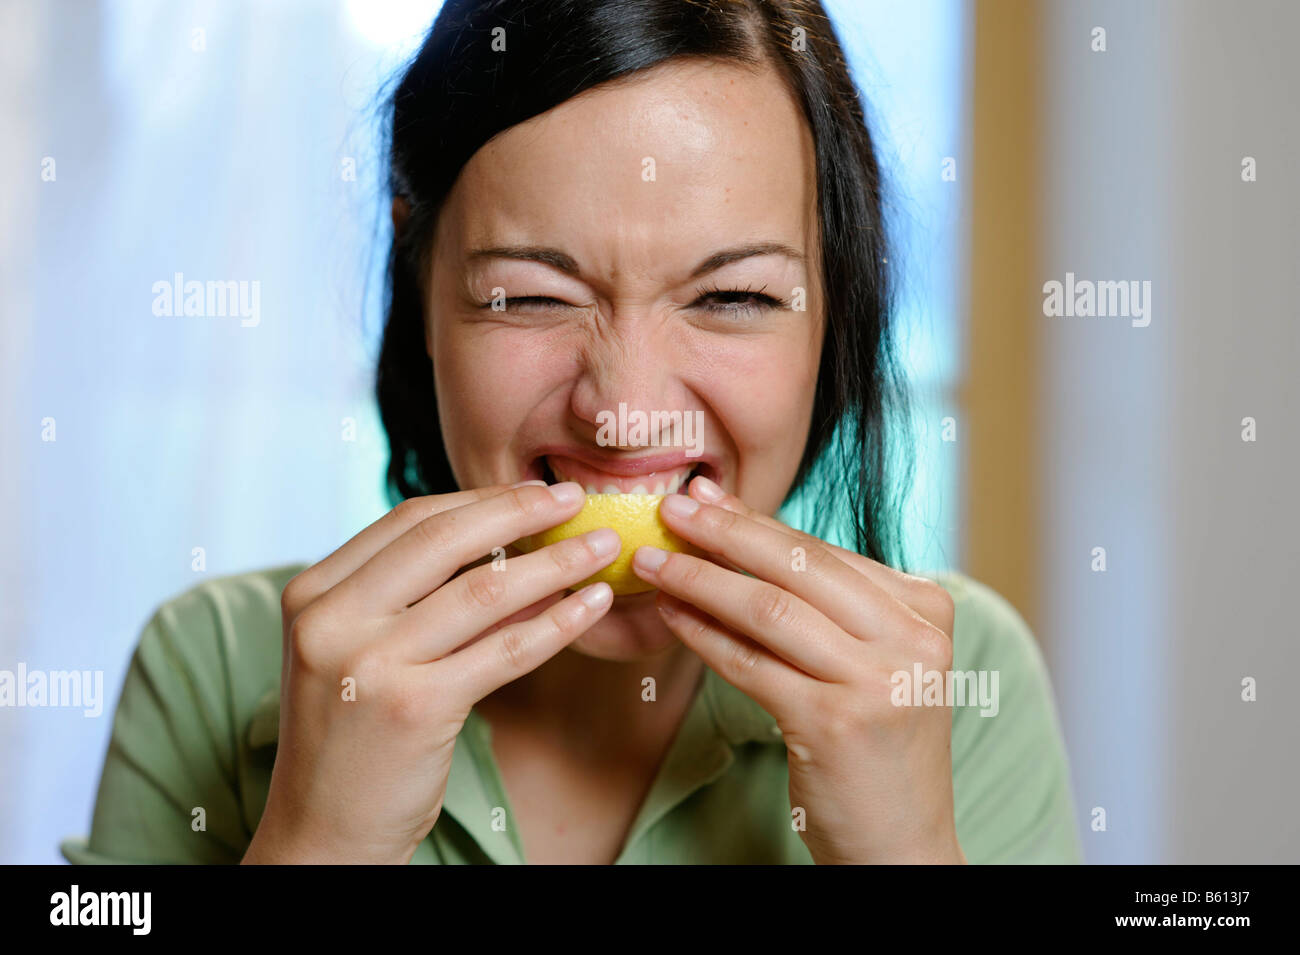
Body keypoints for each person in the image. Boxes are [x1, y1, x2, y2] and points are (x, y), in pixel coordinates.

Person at [61, 0, 1082, 865]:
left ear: (835, 310)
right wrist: (315, 840)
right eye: (529, 297)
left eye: (731, 294)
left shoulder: (955, 684)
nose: (622, 404)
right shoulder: (210, 669)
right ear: (420, 288)